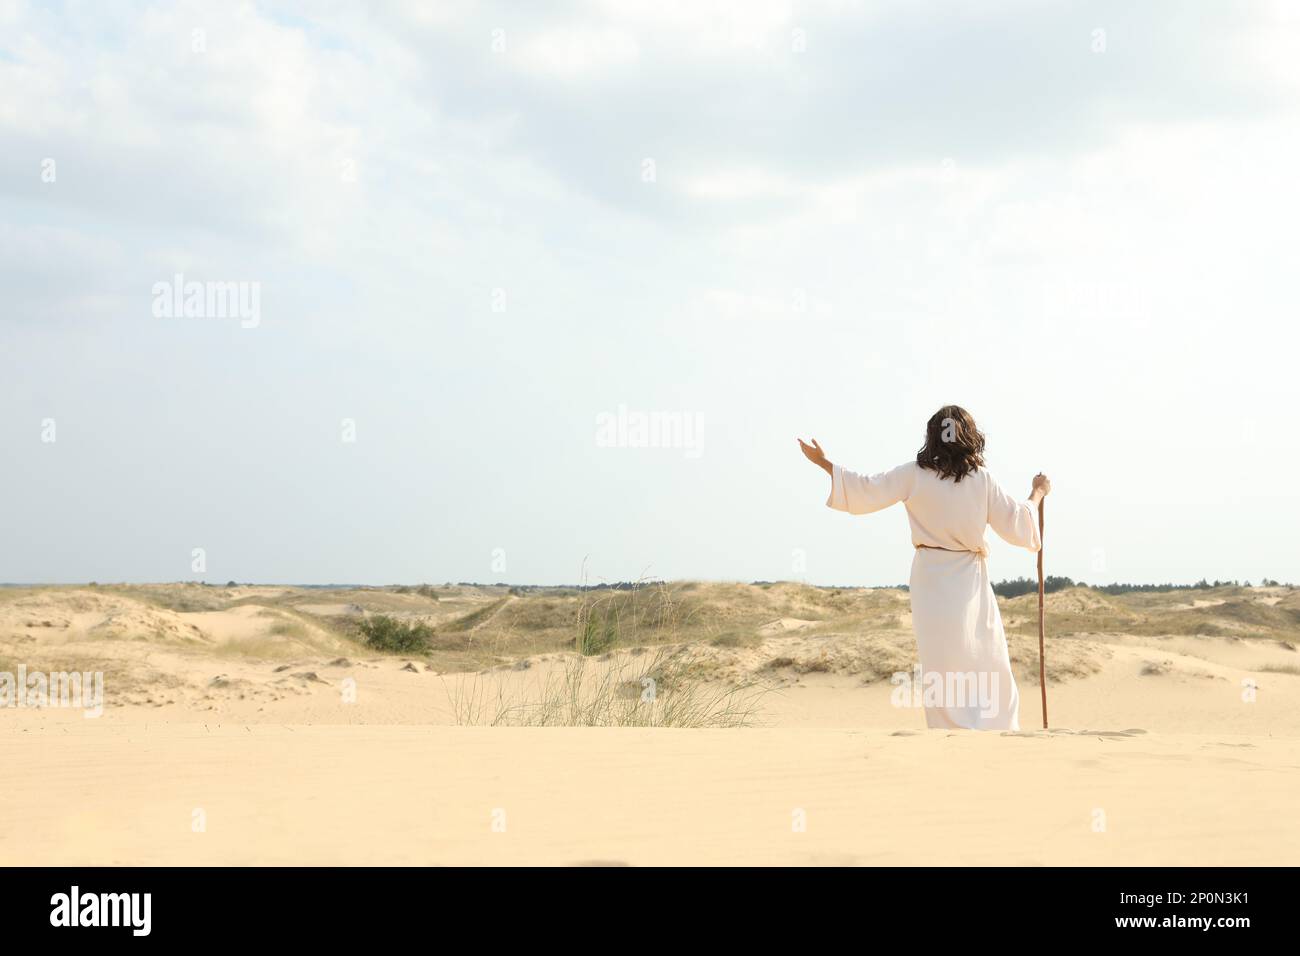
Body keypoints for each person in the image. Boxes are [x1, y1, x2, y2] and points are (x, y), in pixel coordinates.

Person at [797, 405, 1050, 730]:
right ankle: (989, 729)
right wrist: (1038, 492)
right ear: (970, 437)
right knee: (986, 658)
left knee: (945, 662)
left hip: (931, 578)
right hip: (968, 577)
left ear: (932, 436)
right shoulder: (980, 479)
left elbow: (865, 489)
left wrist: (823, 463)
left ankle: (951, 730)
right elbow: (1018, 525)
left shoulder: (914, 474)